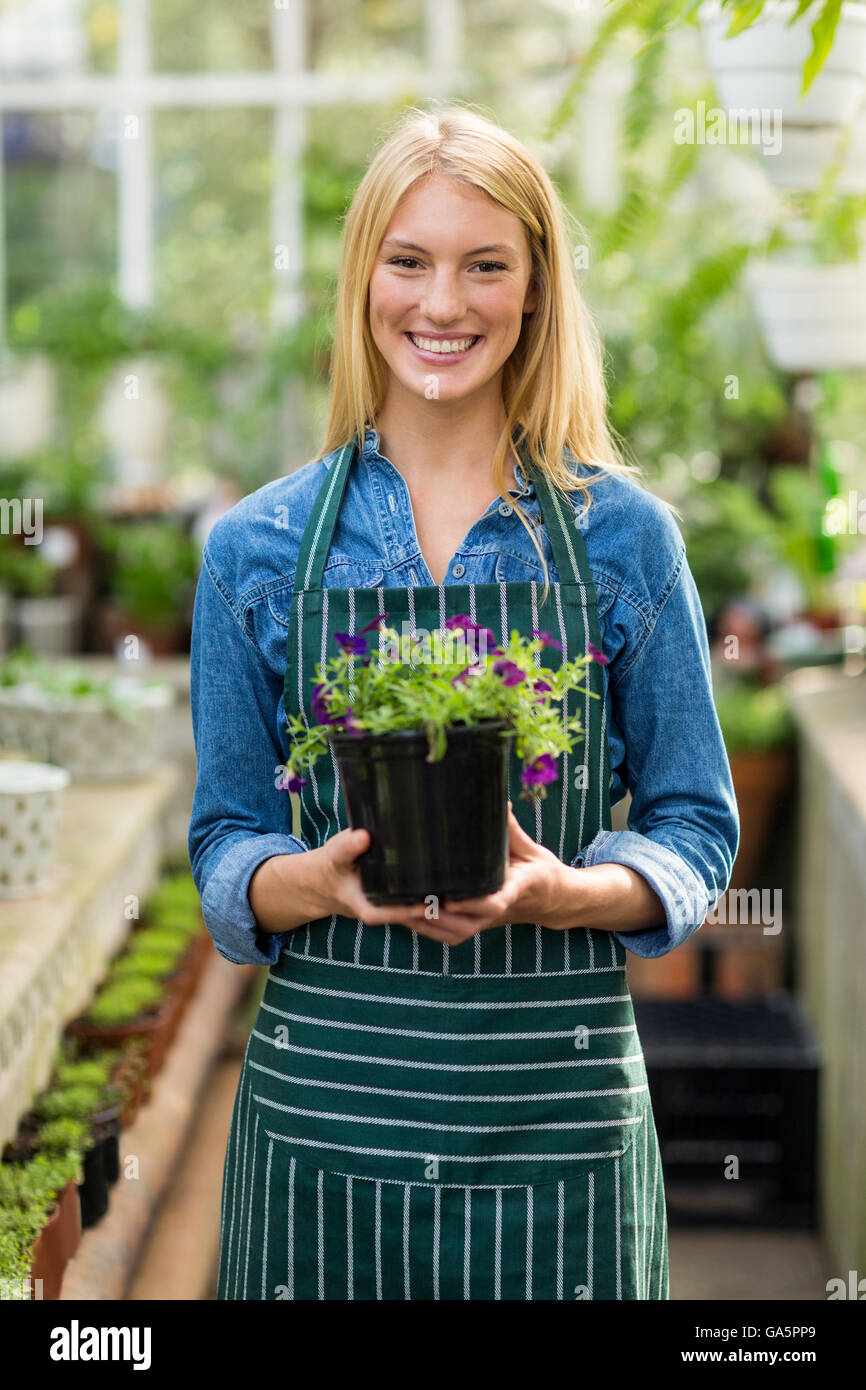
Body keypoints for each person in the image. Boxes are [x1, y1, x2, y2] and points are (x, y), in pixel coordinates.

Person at [188, 104, 739, 1301]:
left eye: (484, 264)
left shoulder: (623, 542)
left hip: (560, 1137)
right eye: (409, 261)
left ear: (535, 289)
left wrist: (560, 892)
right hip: (323, 1136)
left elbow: (696, 828)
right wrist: (322, 880)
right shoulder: (260, 548)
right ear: (363, 279)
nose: (442, 304)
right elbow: (227, 842)